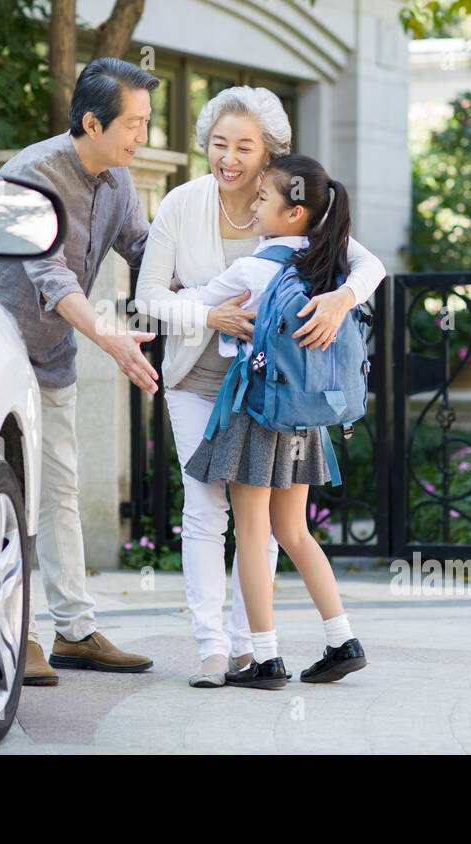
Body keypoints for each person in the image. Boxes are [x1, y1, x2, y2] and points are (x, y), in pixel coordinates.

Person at [132, 87, 385, 687]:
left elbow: (368, 266)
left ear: (269, 153)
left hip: (269, 396)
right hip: (203, 379)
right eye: (219, 144)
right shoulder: (183, 204)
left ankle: (254, 648)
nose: (229, 158)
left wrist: (340, 298)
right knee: (209, 509)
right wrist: (210, 318)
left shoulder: (294, 204)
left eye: (244, 147)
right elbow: (149, 297)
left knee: (259, 520)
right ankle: (216, 649)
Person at [0, 58, 161, 685]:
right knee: (5, 493)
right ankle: (10, 631)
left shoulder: (118, 179)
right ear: (91, 121)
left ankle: (75, 631)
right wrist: (114, 341)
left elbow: (145, 252)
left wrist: (213, 300)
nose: (142, 137)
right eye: (134, 124)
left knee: (61, 491)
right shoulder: (28, 174)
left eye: (146, 123)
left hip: (52, 356)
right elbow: (51, 279)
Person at [175, 154, 370, 689]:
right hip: (306, 418)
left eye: (263, 199)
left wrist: (174, 301)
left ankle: (265, 657)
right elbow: (371, 270)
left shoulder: (252, 268)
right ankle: (341, 638)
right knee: (294, 531)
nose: (254, 206)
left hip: (257, 411)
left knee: (253, 531)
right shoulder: (327, 262)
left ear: (292, 214)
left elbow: (197, 302)